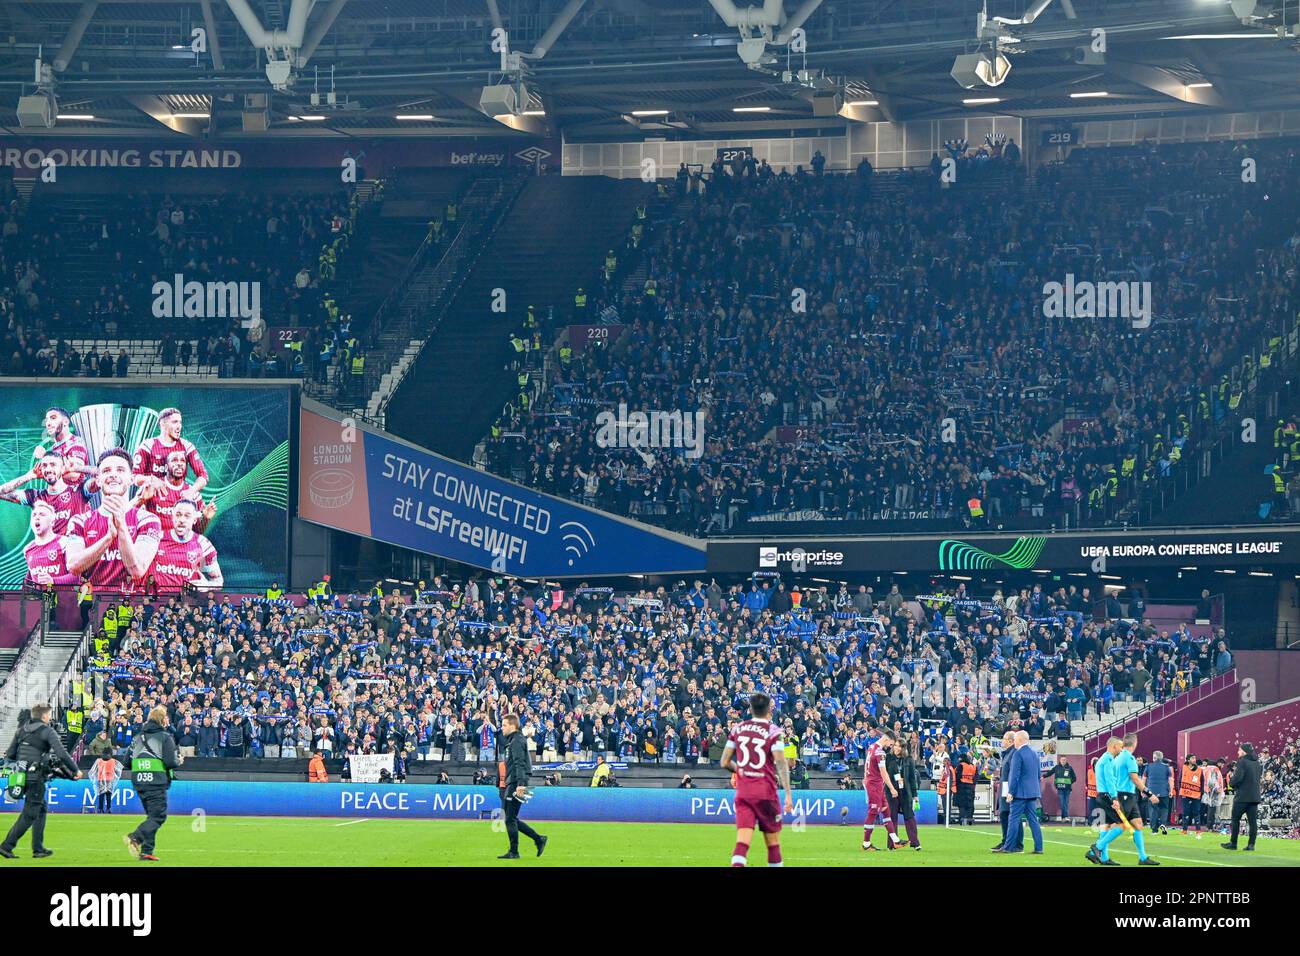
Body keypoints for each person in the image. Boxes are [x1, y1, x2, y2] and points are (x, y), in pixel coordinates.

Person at [719, 692, 792, 867]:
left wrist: (743, 771)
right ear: (769, 710)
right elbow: (781, 762)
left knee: (742, 843)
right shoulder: (774, 731)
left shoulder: (738, 729)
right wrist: (788, 793)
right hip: (765, 792)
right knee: (773, 844)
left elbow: (724, 762)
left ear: (750, 709)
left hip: (744, 793)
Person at [1, 703, 81, 859]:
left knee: (41, 809)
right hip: (36, 777)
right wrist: (75, 769)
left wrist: (23, 762)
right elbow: (62, 754)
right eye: (49, 715)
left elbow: (10, 755)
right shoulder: (47, 731)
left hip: (22, 776)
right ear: (44, 716)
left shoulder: (21, 731)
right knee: (30, 813)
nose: (50, 717)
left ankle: (38, 848)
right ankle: (6, 845)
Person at [125, 706, 181, 862]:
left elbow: (126, 763)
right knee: (158, 817)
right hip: (156, 782)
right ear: (163, 720)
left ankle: (147, 851)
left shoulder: (137, 738)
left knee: (151, 817)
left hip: (139, 782)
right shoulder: (165, 737)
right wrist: (178, 761)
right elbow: (170, 762)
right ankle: (136, 836)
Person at [497, 713, 547, 859]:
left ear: (512, 725)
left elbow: (520, 762)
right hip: (512, 782)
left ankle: (515, 851)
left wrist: (520, 784)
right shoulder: (513, 740)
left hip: (516, 782)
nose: (502, 728)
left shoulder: (517, 740)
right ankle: (538, 839)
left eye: (504, 725)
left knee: (510, 818)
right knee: (510, 817)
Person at [994, 730, 1043, 854]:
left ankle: (1009, 847)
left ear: (1020, 740)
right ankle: (1039, 848)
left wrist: (1011, 792)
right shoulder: (1035, 754)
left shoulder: (1018, 754)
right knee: (1033, 821)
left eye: (1015, 739)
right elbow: (1038, 774)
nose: (1013, 742)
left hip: (1020, 793)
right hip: (1033, 793)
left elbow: (1014, 775)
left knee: (1013, 819)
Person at [860, 726, 902, 850]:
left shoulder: (872, 747)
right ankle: (866, 844)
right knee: (873, 812)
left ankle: (895, 840)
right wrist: (892, 788)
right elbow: (883, 773)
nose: (890, 746)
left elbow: (866, 764)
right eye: (891, 743)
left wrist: (865, 776)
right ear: (887, 739)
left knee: (885, 810)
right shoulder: (880, 752)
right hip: (874, 784)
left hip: (874, 783)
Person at [1222, 743, 1262, 851]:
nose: (1237, 752)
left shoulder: (1242, 762)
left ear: (1244, 751)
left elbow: (1238, 778)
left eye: (1239, 750)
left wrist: (1231, 782)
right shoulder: (1258, 763)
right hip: (1254, 797)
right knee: (1253, 822)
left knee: (1235, 819)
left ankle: (1233, 843)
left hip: (1243, 796)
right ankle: (1251, 845)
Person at [886, 736, 922, 851]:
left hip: (906, 792)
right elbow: (884, 775)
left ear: (903, 748)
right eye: (895, 745)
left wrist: (915, 795)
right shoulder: (888, 758)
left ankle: (915, 842)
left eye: (899, 746)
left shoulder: (909, 759)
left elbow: (912, 778)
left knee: (909, 816)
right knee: (892, 817)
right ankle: (892, 844)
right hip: (892, 792)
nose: (896, 748)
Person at [993, 731, 1022, 851]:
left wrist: (1012, 790)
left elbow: (1015, 773)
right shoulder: (1006, 754)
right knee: (1005, 814)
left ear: (1010, 741)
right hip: (1004, 786)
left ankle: (1016, 844)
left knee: (1013, 815)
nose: (1002, 741)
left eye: (1004, 739)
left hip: (1009, 788)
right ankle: (1006, 841)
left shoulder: (1014, 753)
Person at [1143, 750, 1172, 834]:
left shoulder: (1148, 766)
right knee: (1164, 809)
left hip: (1151, 792)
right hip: (1164, 792)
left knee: (1153, 810)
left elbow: (1144, 779)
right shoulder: (1166, 767)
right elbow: (1171, 780)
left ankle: (1154, 829)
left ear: (1154, 758)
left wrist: (1143, 790)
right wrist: (1171, 791)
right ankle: (1163, 824)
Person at [1178, 754, 1204, 831]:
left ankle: (1198, 830)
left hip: (1196, 794)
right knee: (1185, 812)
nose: (1194, 759)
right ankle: (1184, 830)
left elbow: (1202, 781)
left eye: (1195, 758)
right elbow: (1180, 780)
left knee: (1196, 813)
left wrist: (1201, 793)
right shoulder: (1184, 768)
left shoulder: (1199, 770)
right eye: (1192, 758)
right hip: (1185, 794)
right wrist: (1181, 790)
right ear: (1188, 760)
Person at [1052, 755, 1077, 822]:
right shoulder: (1056, 767)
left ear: (1066, 761)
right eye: (1062, 760)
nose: (1063, 761)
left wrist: (1069, 782)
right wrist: (1043, 776)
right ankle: (1065, 817)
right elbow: (1050, 772)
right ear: (1060, 761)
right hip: (1060, 789)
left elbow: (1074, 778)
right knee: (1062, 803)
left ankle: (1064, 817)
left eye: (1064, 760)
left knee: (1066, 803)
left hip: (1067, 789)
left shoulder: (1069, 768)